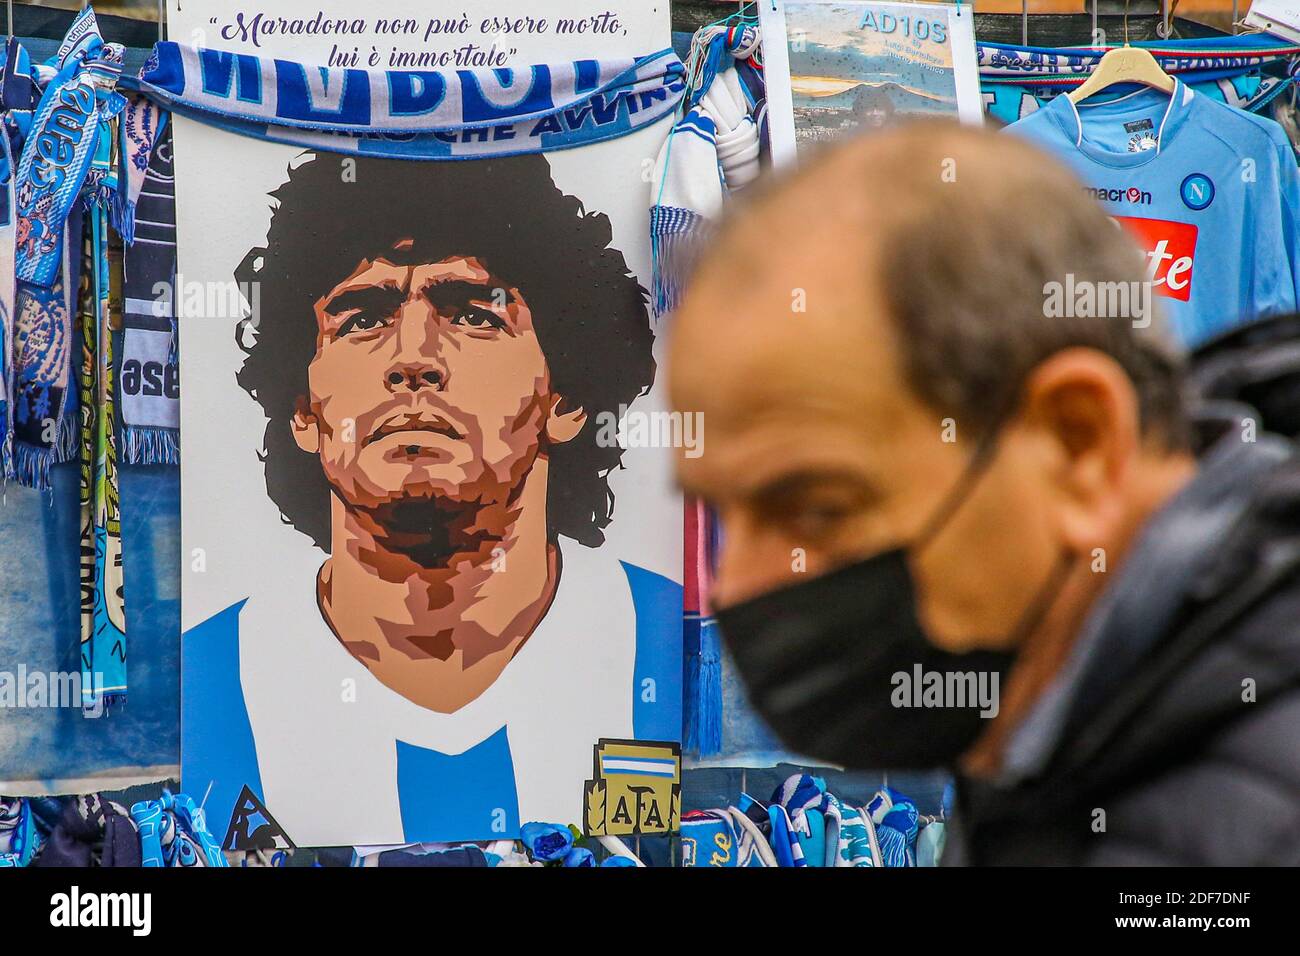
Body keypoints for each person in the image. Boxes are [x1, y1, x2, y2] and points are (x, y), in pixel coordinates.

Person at [669, 120, 1300, 865]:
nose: (738, 584)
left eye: (819, 508)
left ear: (1078, 442)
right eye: (721, 514)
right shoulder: (1041, 732)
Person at [187, 151, 679, 845]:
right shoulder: (214, 673)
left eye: (474, 314)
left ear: (565, 395)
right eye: (362, 319)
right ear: (301, 409)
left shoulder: (663, 640)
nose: (413, 357)